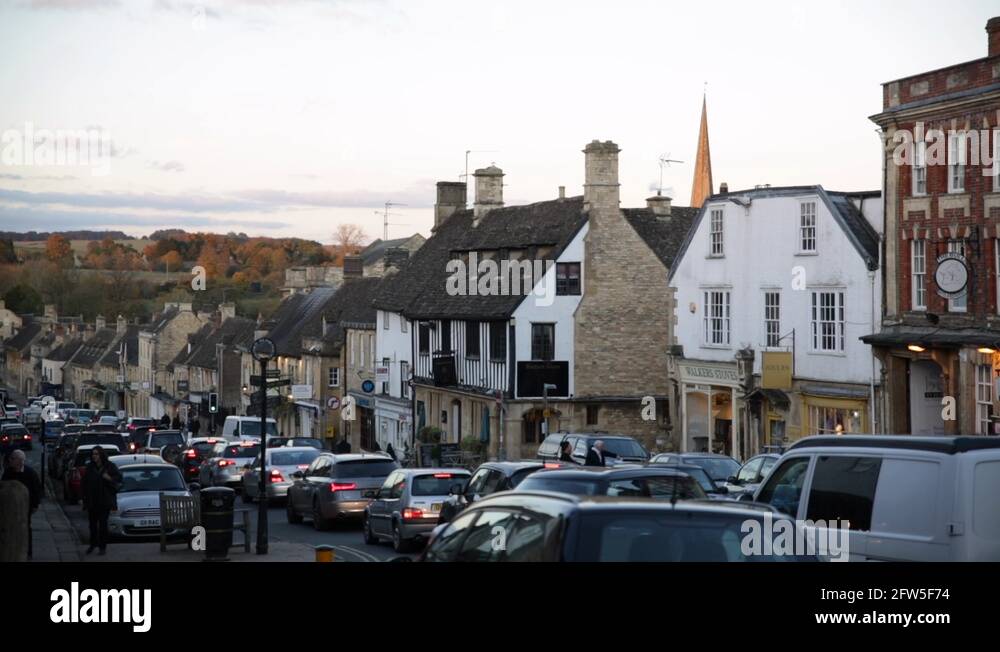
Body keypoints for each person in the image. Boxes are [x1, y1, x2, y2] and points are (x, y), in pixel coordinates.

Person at [2, 449, 42, 559]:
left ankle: (28, 552)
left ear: (19, 461)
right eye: (10, 458)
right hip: (10, 507)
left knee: (26, 528)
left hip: (25, 507)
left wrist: (35, 505)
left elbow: (37, 490)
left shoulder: (30, 473)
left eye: (12, 458)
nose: (10, 460)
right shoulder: (8, 472)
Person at [81, 446, 121, 556]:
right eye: (93, 454)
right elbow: (84, 484)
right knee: (92, 525)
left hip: (104, 500)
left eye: (97, 454)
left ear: (101, 455)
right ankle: (93, 544)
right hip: (92, 501)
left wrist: (109, 478)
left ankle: (102, 547)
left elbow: (118, 479)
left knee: (103, 525)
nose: (95, 456)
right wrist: (84, 498)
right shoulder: (90, 467)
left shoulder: (109, 466)